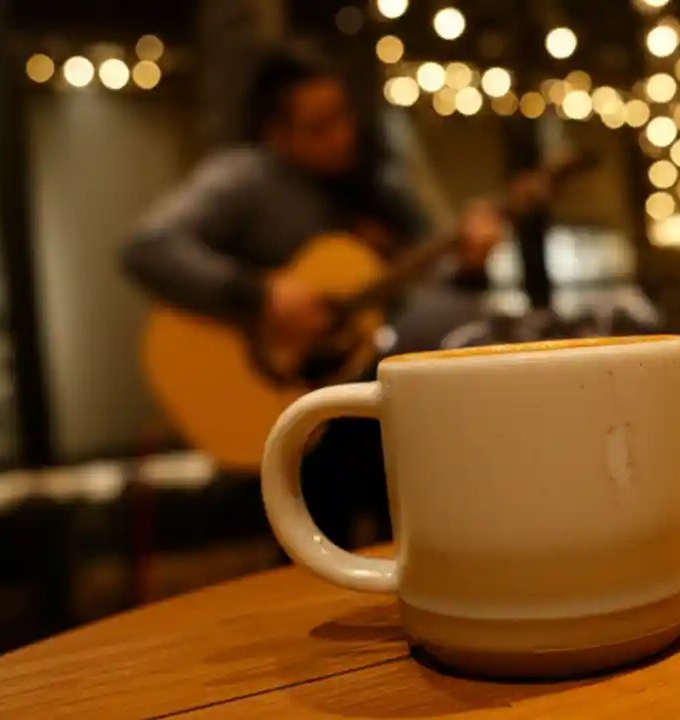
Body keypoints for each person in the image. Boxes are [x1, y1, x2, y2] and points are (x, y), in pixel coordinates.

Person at [123, 48, 501, 546]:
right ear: (275, 132)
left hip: (371, 406)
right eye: (319, 126)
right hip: (287, 407)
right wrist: (260, 297)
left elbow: (423, 306)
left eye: (343, 116)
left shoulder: (378, 186)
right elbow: (148, 247)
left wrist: (471, 268)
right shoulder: (244, 178)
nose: (342, 134)